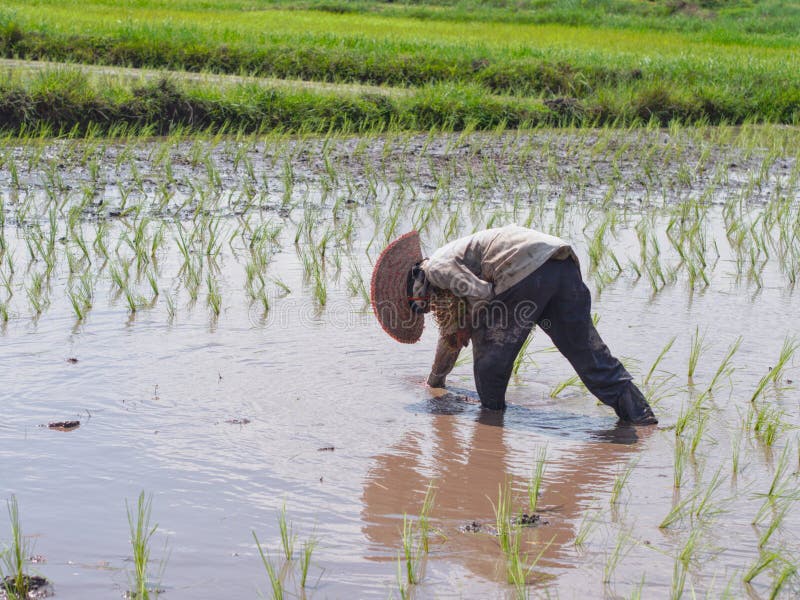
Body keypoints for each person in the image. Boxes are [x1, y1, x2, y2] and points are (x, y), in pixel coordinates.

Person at [370, 225, 657, 425]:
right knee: (588, 355)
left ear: (416, 287)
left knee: (489, 363)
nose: (429, 308)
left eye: (421, 305)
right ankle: (640, 418)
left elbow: (481, 295)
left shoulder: (435, 268)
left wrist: (469, 327)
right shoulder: (450, 272)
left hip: (525, 271)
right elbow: (452, 334)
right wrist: (436, 382)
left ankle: (491, 426)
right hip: (560, 264)